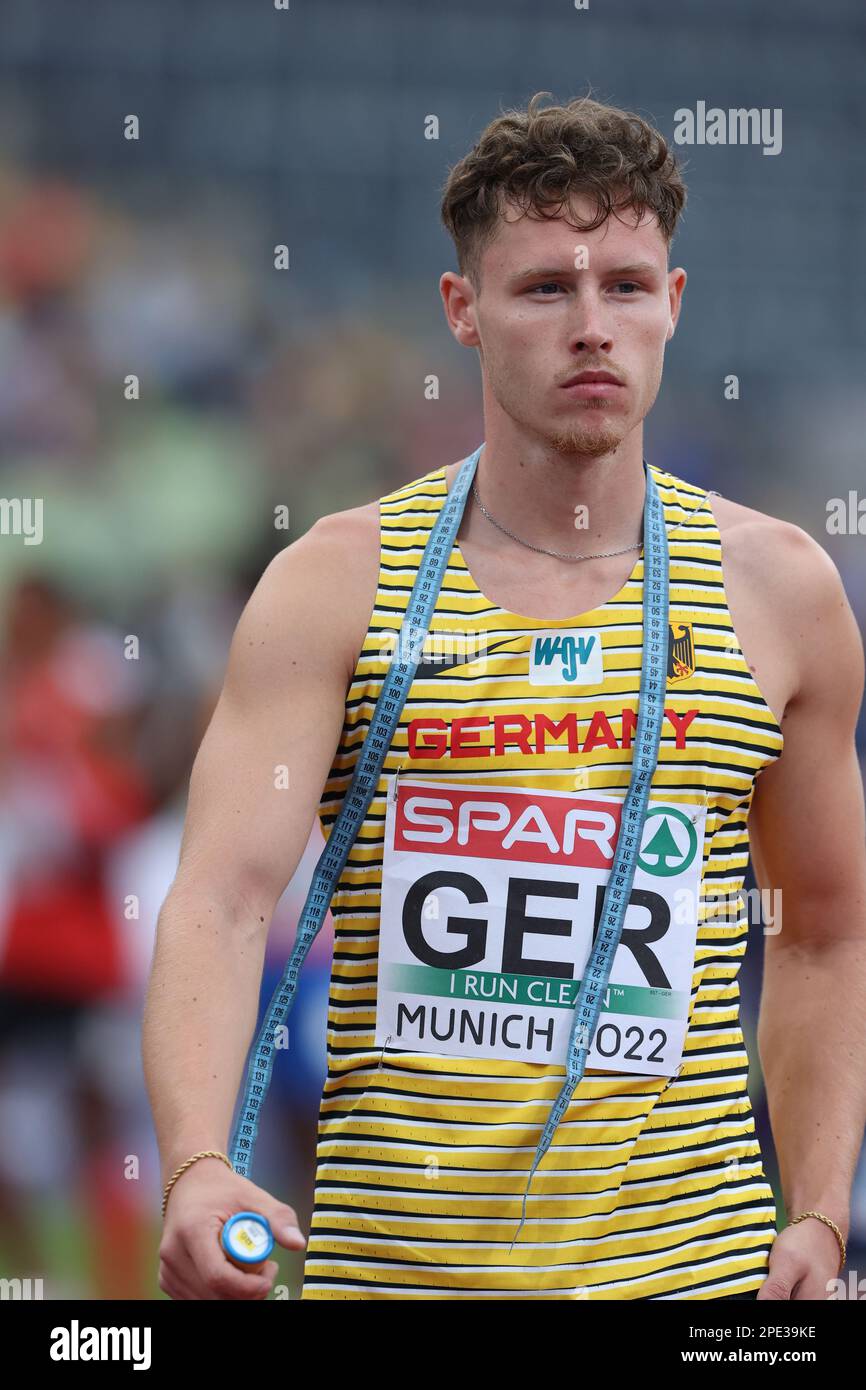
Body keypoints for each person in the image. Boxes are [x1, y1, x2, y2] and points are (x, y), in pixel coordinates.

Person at [143, 93, 866, 1301]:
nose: (592, 328)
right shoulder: (334, 583)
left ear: (673, 306)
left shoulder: (782, 592)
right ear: (462, 310)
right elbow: (219, 897)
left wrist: (822, 1213)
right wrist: (193, 1165)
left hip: (695, 1285)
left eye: (625, 288)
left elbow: (823, 931)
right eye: (543, 290)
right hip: (391, 1279)